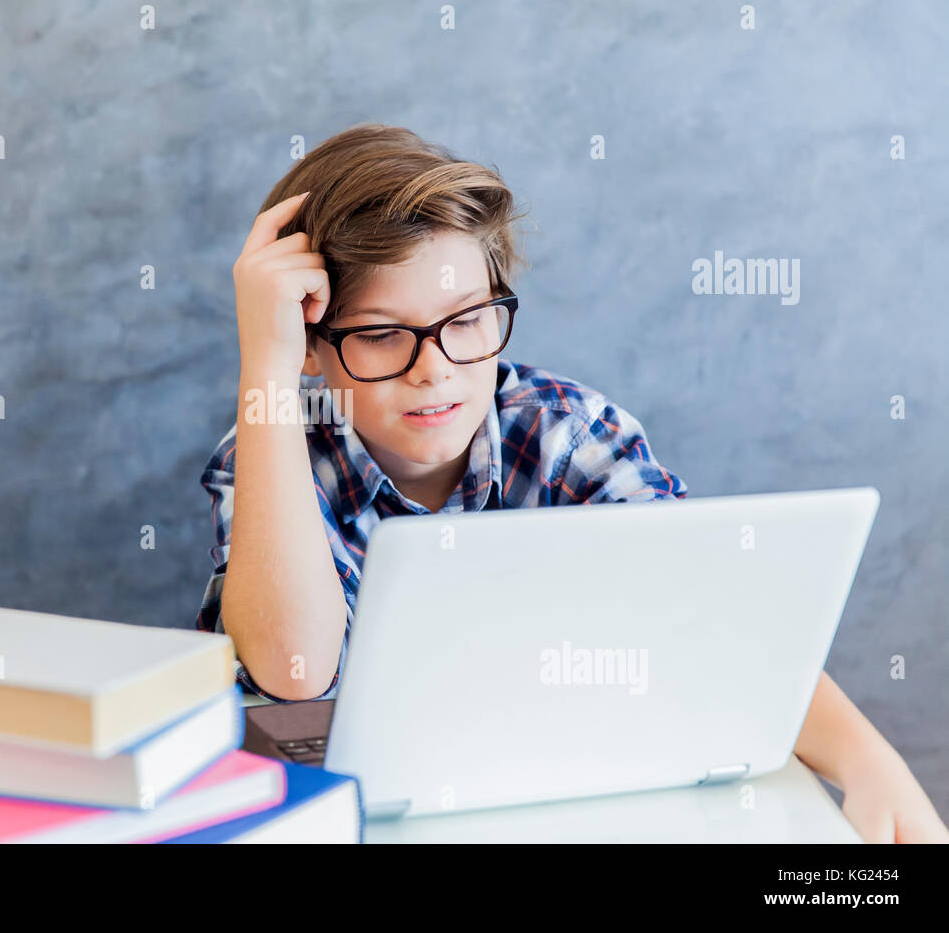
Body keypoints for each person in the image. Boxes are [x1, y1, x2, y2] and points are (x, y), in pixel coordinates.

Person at [195, 123, 948, 843]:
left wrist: (869, 762)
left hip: (554, 798)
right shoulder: (273, 453)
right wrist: (265, 362)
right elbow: (294, 672)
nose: (436, 368)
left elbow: (711, 615)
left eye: (466, 321)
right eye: (382, 334)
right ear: (311, 346)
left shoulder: (568, 433)